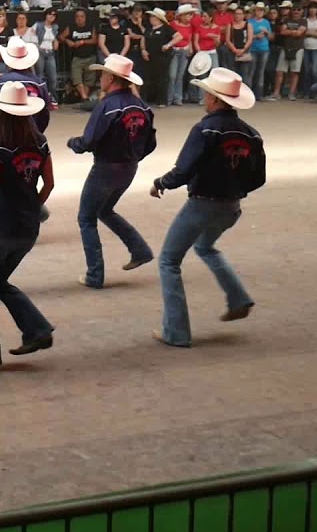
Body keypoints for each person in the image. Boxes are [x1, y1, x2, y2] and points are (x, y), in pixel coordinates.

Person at [149, 68, 264, 348]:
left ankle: (176, 331)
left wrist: (161, 182)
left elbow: (184, 169)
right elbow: (258, 178)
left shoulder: (205, 129)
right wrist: (235, 188)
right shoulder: (251, 134)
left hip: (202, 204)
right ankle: (237, 297)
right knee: (205, 247)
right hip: (231, 206)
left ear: (213, 98)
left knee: (168, 261)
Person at [0, 82, 56, 371]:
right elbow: (49, 183)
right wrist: (30, 205)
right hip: (27, 228)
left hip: (1, 225)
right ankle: (37, 329)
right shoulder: (40, 140)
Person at [67, 55, 157, 289]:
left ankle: (95, 274)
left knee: (86, 217)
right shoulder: (142, 107)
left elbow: (89, 140)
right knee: (105, 210)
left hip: (106, 167)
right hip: (129, 167)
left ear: (110, 78)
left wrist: (73, 143)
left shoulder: (107, 106)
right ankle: (139, 249)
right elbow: (150, 143)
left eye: (103, 75)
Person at [62, 8, 99, 103]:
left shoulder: (91, 26)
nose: (80, 19)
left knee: (89, 80)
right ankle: (85, 99)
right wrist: (68, 41)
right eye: (78, 17)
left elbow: (95, 40)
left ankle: (84, 98)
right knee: (76, 79)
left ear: (85, 18)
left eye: (82, 16)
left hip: (90, 56)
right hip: (77, 57)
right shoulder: (71, 27)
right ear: (75, 18)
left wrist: (82, 42)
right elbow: (61, 36)